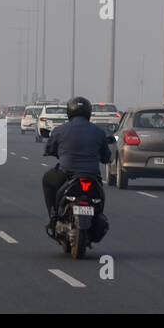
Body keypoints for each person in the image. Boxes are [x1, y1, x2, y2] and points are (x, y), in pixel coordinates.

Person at [42, 95, 112, 230]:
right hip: (92, 176)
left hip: (66, 174)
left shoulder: (60, 130)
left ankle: (53, 216)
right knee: (100, 198)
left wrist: (56, 152)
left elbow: (49, 149)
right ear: (89, 113)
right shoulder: (98, 132)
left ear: (69, 112)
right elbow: (106, 157)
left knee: (47, 180)